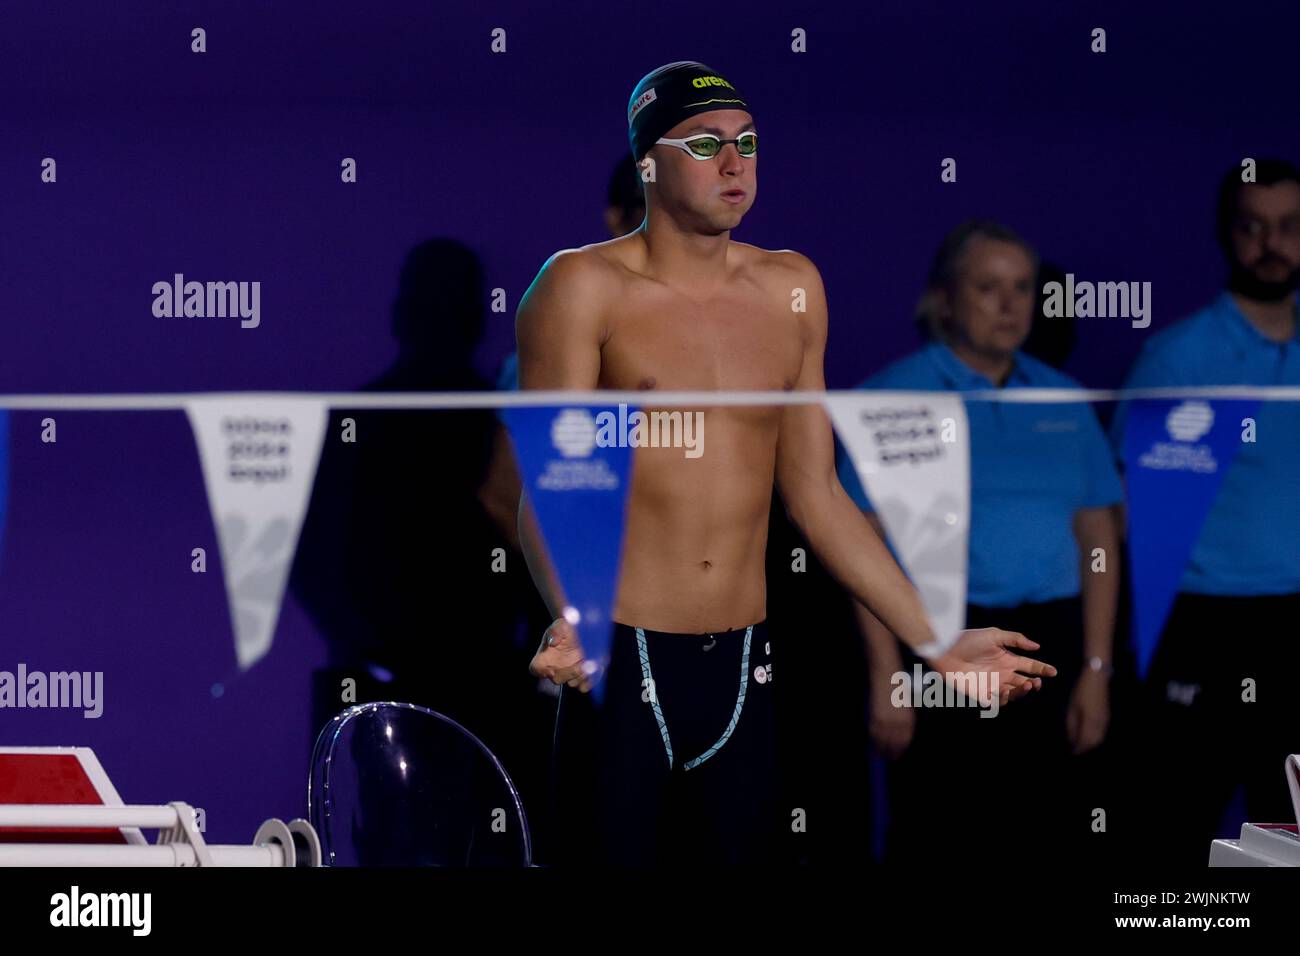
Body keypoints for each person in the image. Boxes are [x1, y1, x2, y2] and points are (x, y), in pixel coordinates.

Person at [515, 61, 1056, 867]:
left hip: (743, 665)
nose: (735, 164)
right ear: (648, 165)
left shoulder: (791, 289)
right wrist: (571, 613)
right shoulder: (581, 286)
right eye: (705, 144)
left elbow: (817, 493)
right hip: (623, 663)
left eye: (748, 143)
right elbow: (546, 492)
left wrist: (934, 642)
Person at [836, 221, 1124, 864]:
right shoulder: (891, 395)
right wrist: (888, 678)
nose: (1009, 304)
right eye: (988, 287)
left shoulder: (1066, 397)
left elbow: (1098, 533)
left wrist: (1097, 671)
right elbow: (863, 543)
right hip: (941, 644)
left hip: (1052, 645)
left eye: (1023, 288)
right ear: (944, 298)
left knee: (1053, 838)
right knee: (939, 840)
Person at [1110, 159, 1300, 866]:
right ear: (1227, 235)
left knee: (1289, 840)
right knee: (1169, 838)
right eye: (1253, 227)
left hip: (1296, 628)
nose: (1271, 244)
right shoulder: (1180, 359)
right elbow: (1127, 513)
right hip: (1203, 629)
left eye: (1289, 227)